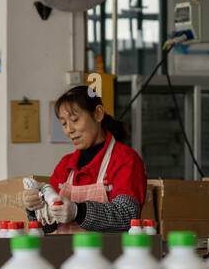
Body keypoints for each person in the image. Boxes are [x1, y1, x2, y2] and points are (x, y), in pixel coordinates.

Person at [25, 86, 147, 234]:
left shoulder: (125, 159)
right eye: (64, 123)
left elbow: (127, 215)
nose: (69, 130)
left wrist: (78, 211)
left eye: (75, 120)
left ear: (98, 114)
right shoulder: (66, 165)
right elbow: (49, 226)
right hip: (66, 254)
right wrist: (35, 209)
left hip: (109, 255)